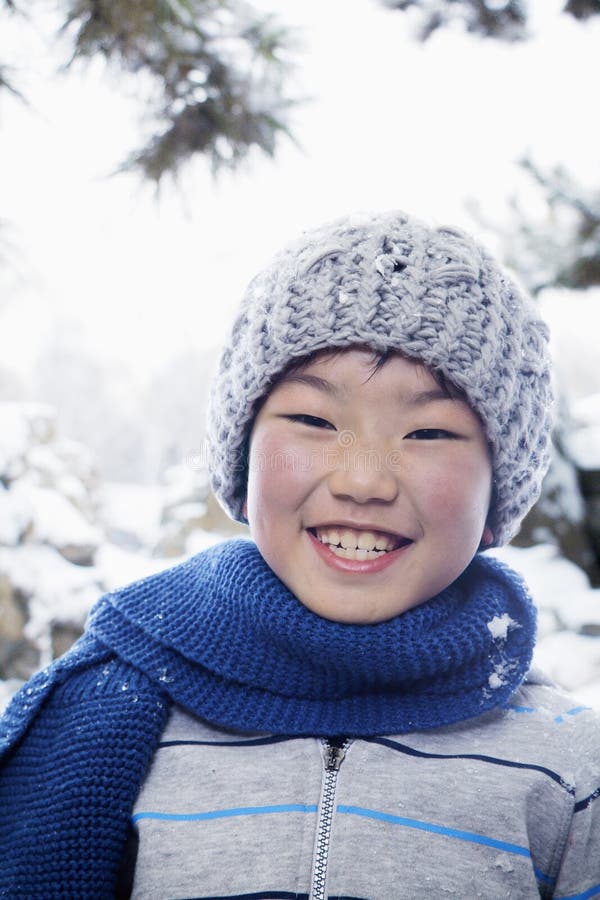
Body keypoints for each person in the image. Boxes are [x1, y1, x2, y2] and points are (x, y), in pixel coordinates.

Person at [1, 210, 599, 899]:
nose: (363, 480)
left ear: (499, 490)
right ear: (241, 452)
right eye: (315, 420)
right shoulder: (109, 720)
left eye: (430, 431)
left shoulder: (570, 773)